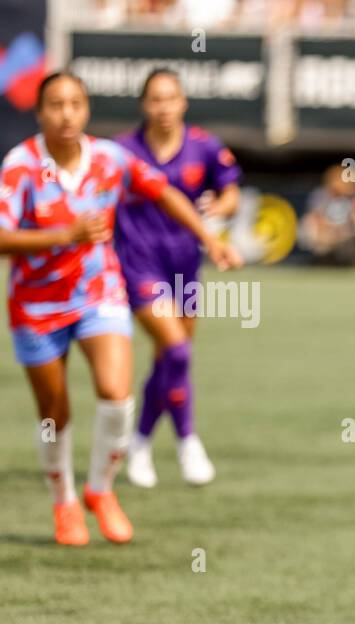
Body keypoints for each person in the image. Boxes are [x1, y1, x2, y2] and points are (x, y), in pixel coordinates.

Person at [0, 72, 239, 546]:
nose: (66, 114)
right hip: (36, 305)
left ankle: (101, 490)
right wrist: (63, 236)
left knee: (116, 394)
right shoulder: (20, 166)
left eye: (75, 103)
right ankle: (63, 500)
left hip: (99, 293)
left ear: (87, 109)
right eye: (55, 105)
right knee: (54, 414)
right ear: (40, 112)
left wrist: (209, 237)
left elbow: (164, 191)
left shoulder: (110, 157)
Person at [116, 68, 243, 489]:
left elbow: (230, 192)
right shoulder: (122, 151)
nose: (163, 107)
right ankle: (188, 440)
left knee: (169, 357)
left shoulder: (204, 146)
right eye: (155, 99)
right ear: (143, 104)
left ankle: (139, 443)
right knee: (175, 348)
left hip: (185, 267)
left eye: (171, 98)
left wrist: (221, 209)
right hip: (138, 266)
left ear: (183, 102)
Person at [298, 163, 355, 267]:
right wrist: (331, 232)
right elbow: (316, 220)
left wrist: (349, 228)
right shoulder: (321, 195)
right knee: (307, 226)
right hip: (328, 235)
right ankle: (322, 260)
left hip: (350, 236)